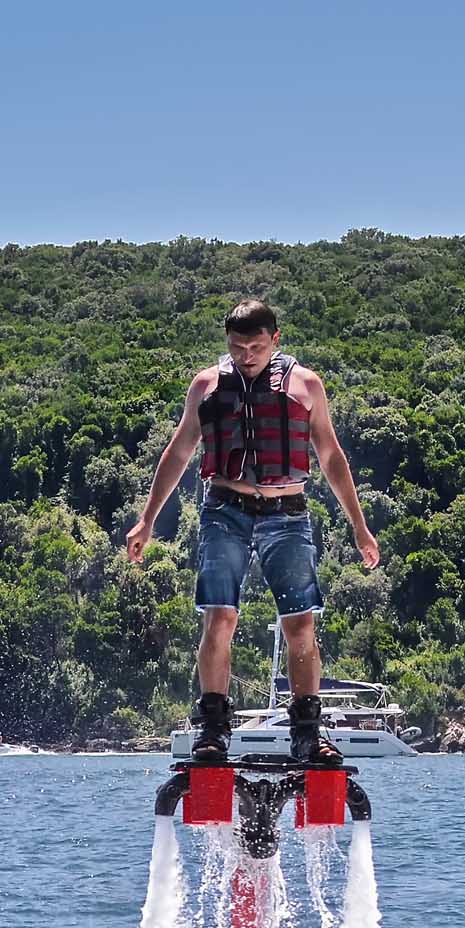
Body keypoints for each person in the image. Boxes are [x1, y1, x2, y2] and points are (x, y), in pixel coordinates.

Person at [126, 299, 381, 763]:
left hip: (287, 513)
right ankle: (213, 731)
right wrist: (147, 518)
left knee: (299, 622)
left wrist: (359, 527)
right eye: (237, 347)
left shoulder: (306, 385)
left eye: (256, 347)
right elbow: (179, 451)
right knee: (220, 617)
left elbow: (331, 456)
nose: (246, 356)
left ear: (275, 339)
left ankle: (307, 733)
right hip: (225, 510)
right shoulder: (206, 385)